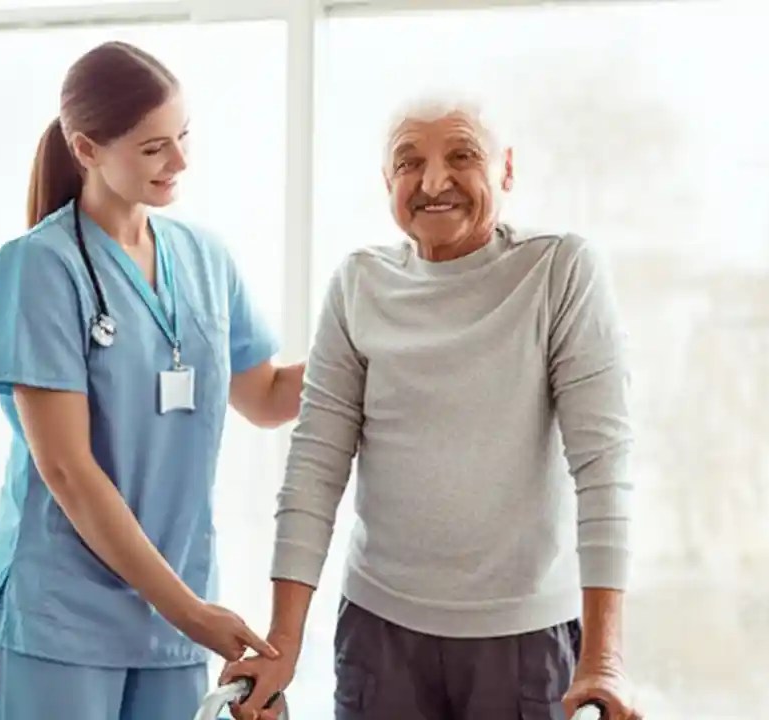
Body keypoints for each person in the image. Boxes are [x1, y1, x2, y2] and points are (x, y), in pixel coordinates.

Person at [222, 94, 643, 720]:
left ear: (505, 169)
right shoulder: (359, 283)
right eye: (409, 162)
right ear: (388, 182)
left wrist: (604, 658)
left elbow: (603, 468)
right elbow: (313, 470)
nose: (434, 181)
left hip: (523, 638)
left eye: (462, 155)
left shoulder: (558, 269)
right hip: (380, 630)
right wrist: (283, 641)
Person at [0, 41, 305, 720]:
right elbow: (67, 471)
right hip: (61, 615)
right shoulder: (38, 267)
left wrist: (377, 344)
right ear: (87, 149)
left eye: (182, 137)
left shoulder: (205, 257)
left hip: (170, 627)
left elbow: (267, 397)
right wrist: (193, 613)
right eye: (154, 148)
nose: (180, 161)